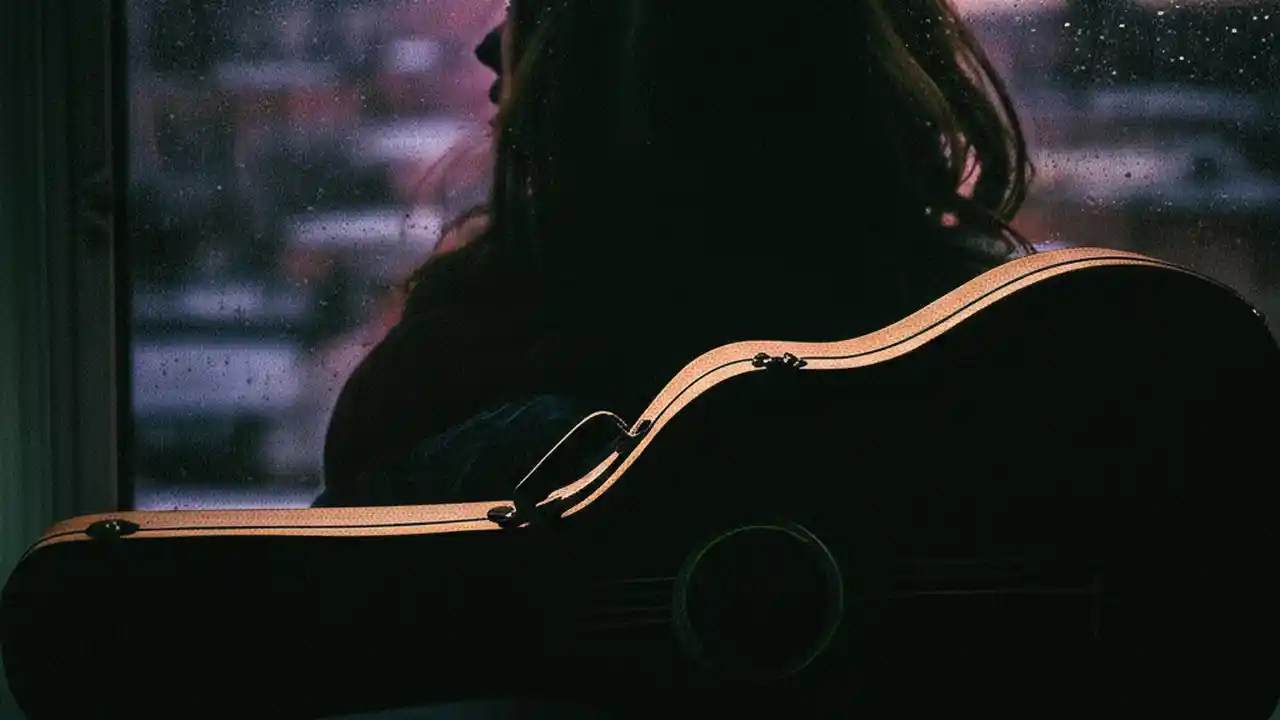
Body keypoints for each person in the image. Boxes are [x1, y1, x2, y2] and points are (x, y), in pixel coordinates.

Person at [316, 0, 1035, 508]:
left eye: (540, 6)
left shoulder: (451, 411)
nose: (488, 44)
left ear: (632, 61)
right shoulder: (1013, 366)